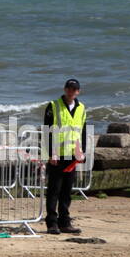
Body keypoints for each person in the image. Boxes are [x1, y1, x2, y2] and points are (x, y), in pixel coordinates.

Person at [42, 78, 86, 235]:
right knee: (54, 190)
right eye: (68, 88)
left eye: (74, 89)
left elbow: (82, 131)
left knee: (67, 191)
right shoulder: (53, 106)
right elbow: (46, 130)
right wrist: (50, 153)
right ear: (64, 89)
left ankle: (65, 223)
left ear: (78, 91)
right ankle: (52, 223)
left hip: (72, 155)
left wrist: (82, 151)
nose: (71, 91)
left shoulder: (81, 108)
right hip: (56, 155)